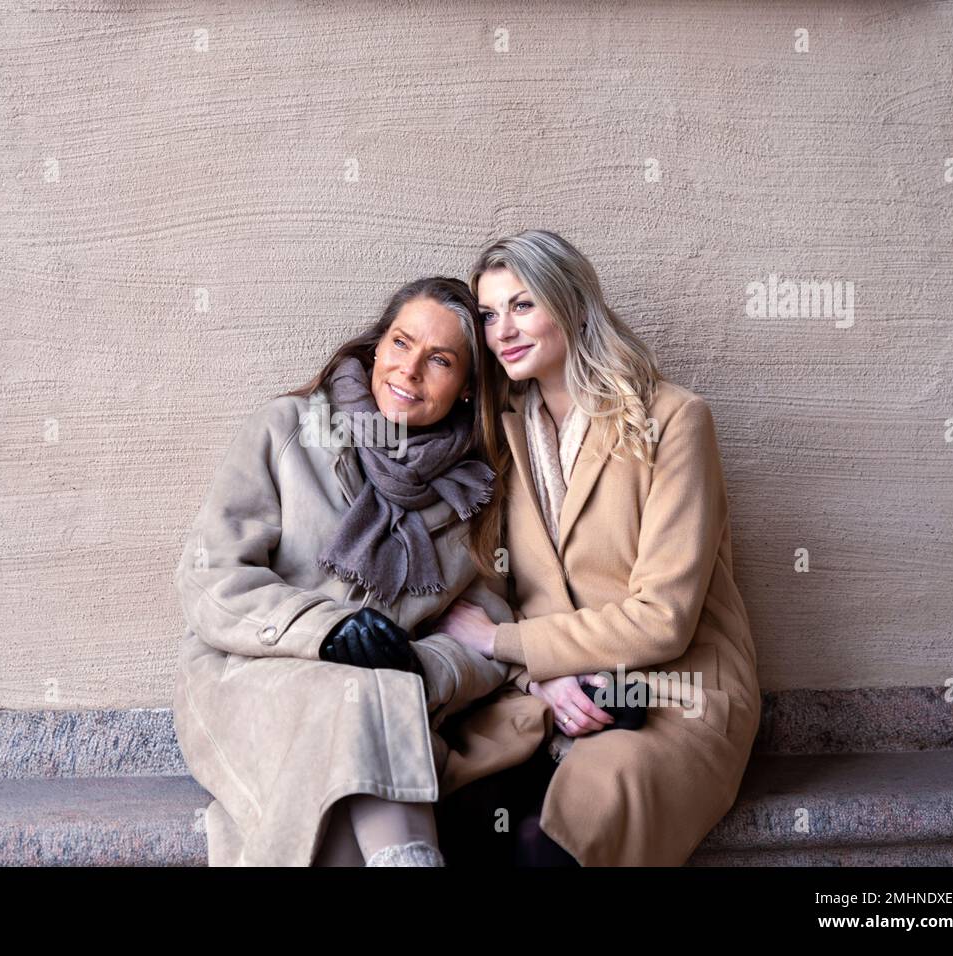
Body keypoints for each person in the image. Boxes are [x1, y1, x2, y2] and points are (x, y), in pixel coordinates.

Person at [172, 276, 549, 866]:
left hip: (384, 702)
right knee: (363, 695)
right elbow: (211, 578)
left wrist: (421, 665)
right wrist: (324, 630)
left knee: (363, 718)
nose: (409, 370)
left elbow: (490, 628)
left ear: (469, 386)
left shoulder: (473, 491)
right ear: (377, 346)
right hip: (250, 676)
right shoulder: (288, 431)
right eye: (400, 343)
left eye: (440, 360)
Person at [432, 230, 762, 866]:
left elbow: (663, 620)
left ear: (573, 303)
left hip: (673, 695)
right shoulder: (500, 437)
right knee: (456, 819)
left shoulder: (673, 420)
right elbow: (504, 591)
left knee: (563, 833)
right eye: (489, 314)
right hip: (551, 695)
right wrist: (538, 678)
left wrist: (503, 644)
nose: (503, 329)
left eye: (523, 305)